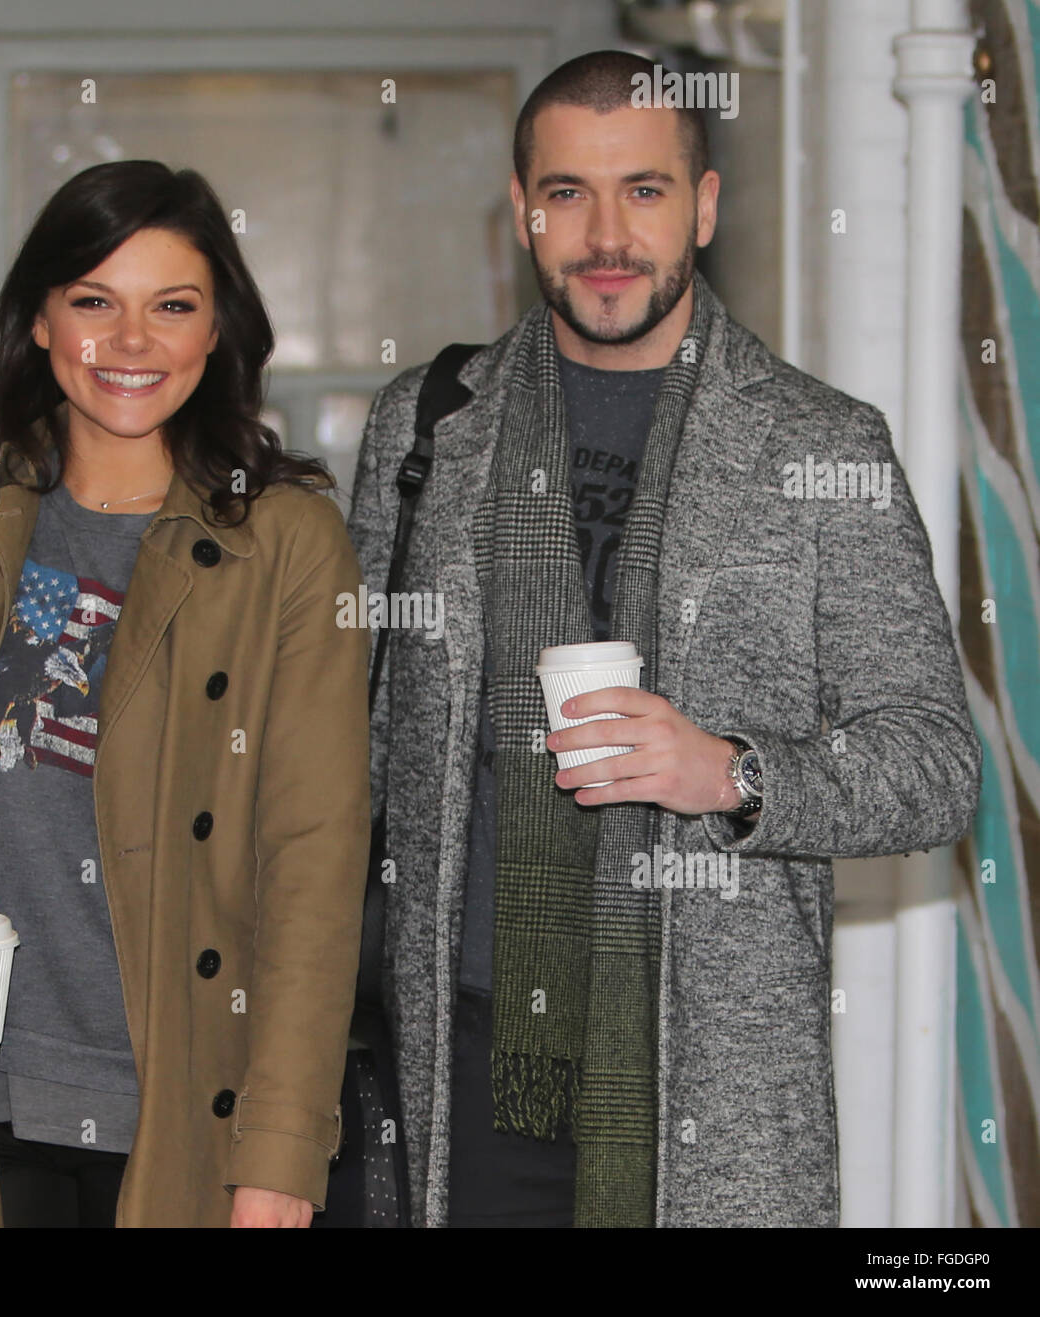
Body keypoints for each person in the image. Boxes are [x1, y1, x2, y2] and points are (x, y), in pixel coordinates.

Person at [345, 50, 981, 1228]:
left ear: (703, 204)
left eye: (642, 190)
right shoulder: (427, 431)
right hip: (466, 1064)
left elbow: (936, 767)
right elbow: (363, 755)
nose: (605, 236)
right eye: (568, 193)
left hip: (713, 1079)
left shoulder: (816, 443)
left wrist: (728, 772)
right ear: (525, 208)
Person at [0, 160, 370, 1228]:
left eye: (173, 307)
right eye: (95, 302)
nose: (132, 342)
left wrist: (284, 1147)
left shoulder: (286, 542)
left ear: (217, 335)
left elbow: (315, 855)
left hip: (184, 1107)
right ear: (42, 325)